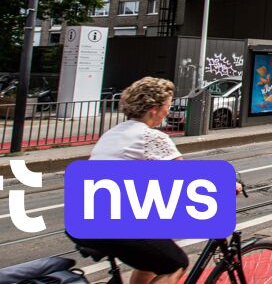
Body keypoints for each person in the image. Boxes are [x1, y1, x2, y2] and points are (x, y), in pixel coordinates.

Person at [68, 77, 190, 284]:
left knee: (151, 260)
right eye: (167, 106)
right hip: (114, 224)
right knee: (176, 263)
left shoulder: (113, 133)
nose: (168, 112)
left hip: (83, 218)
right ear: (153, 109)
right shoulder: (151, 137)